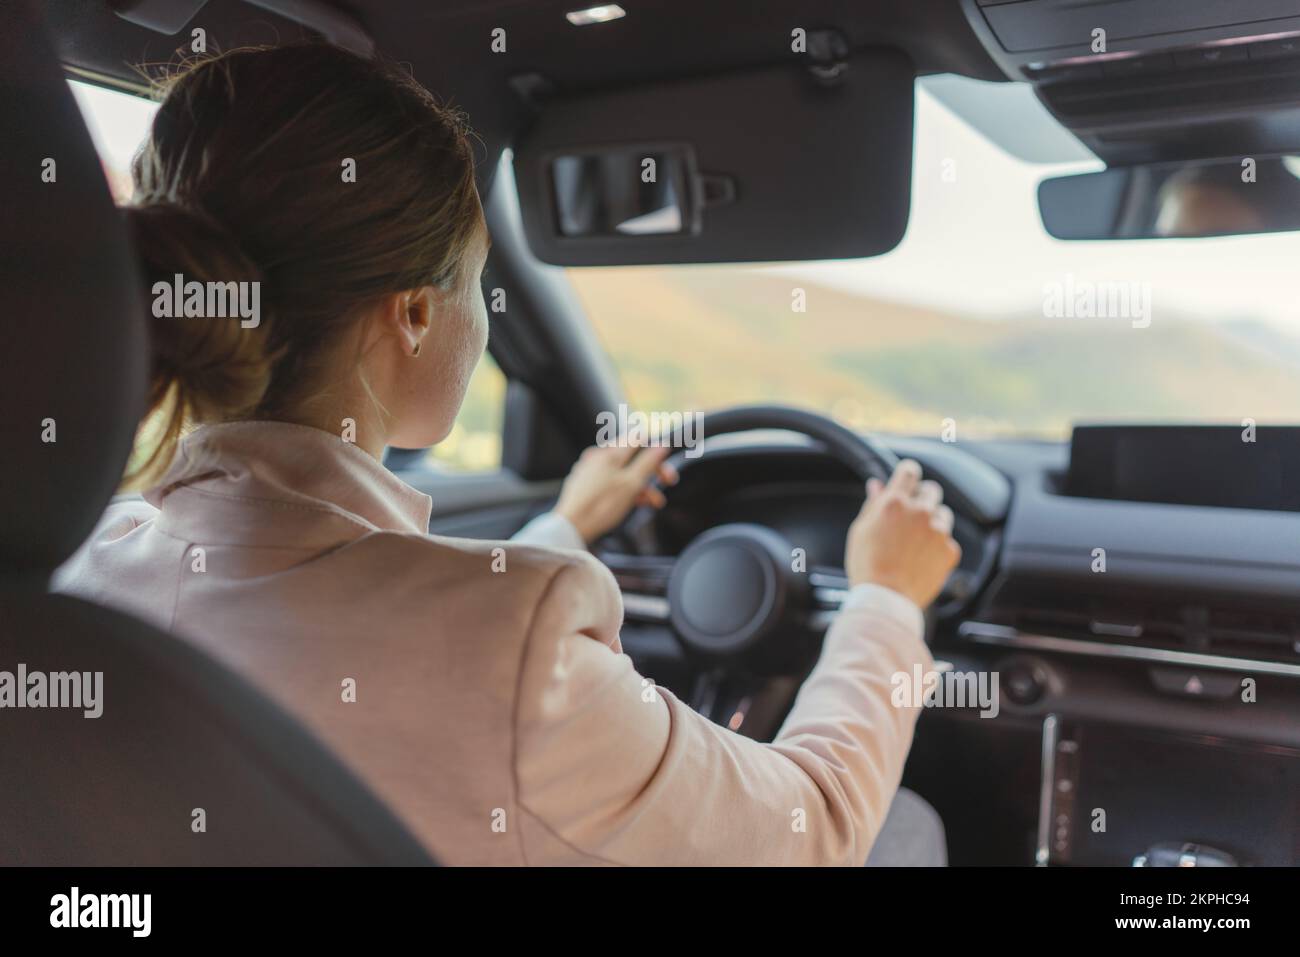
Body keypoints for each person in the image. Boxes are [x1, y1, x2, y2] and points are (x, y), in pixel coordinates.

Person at [55, 43, 961, 866]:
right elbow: (816, 824)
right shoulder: (518, 646)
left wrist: (565, 524)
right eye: (481, 282)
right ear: (412, 312)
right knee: (906, 826)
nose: (486, 317)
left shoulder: (87, 576)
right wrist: (885, 599)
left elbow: (415, 627)